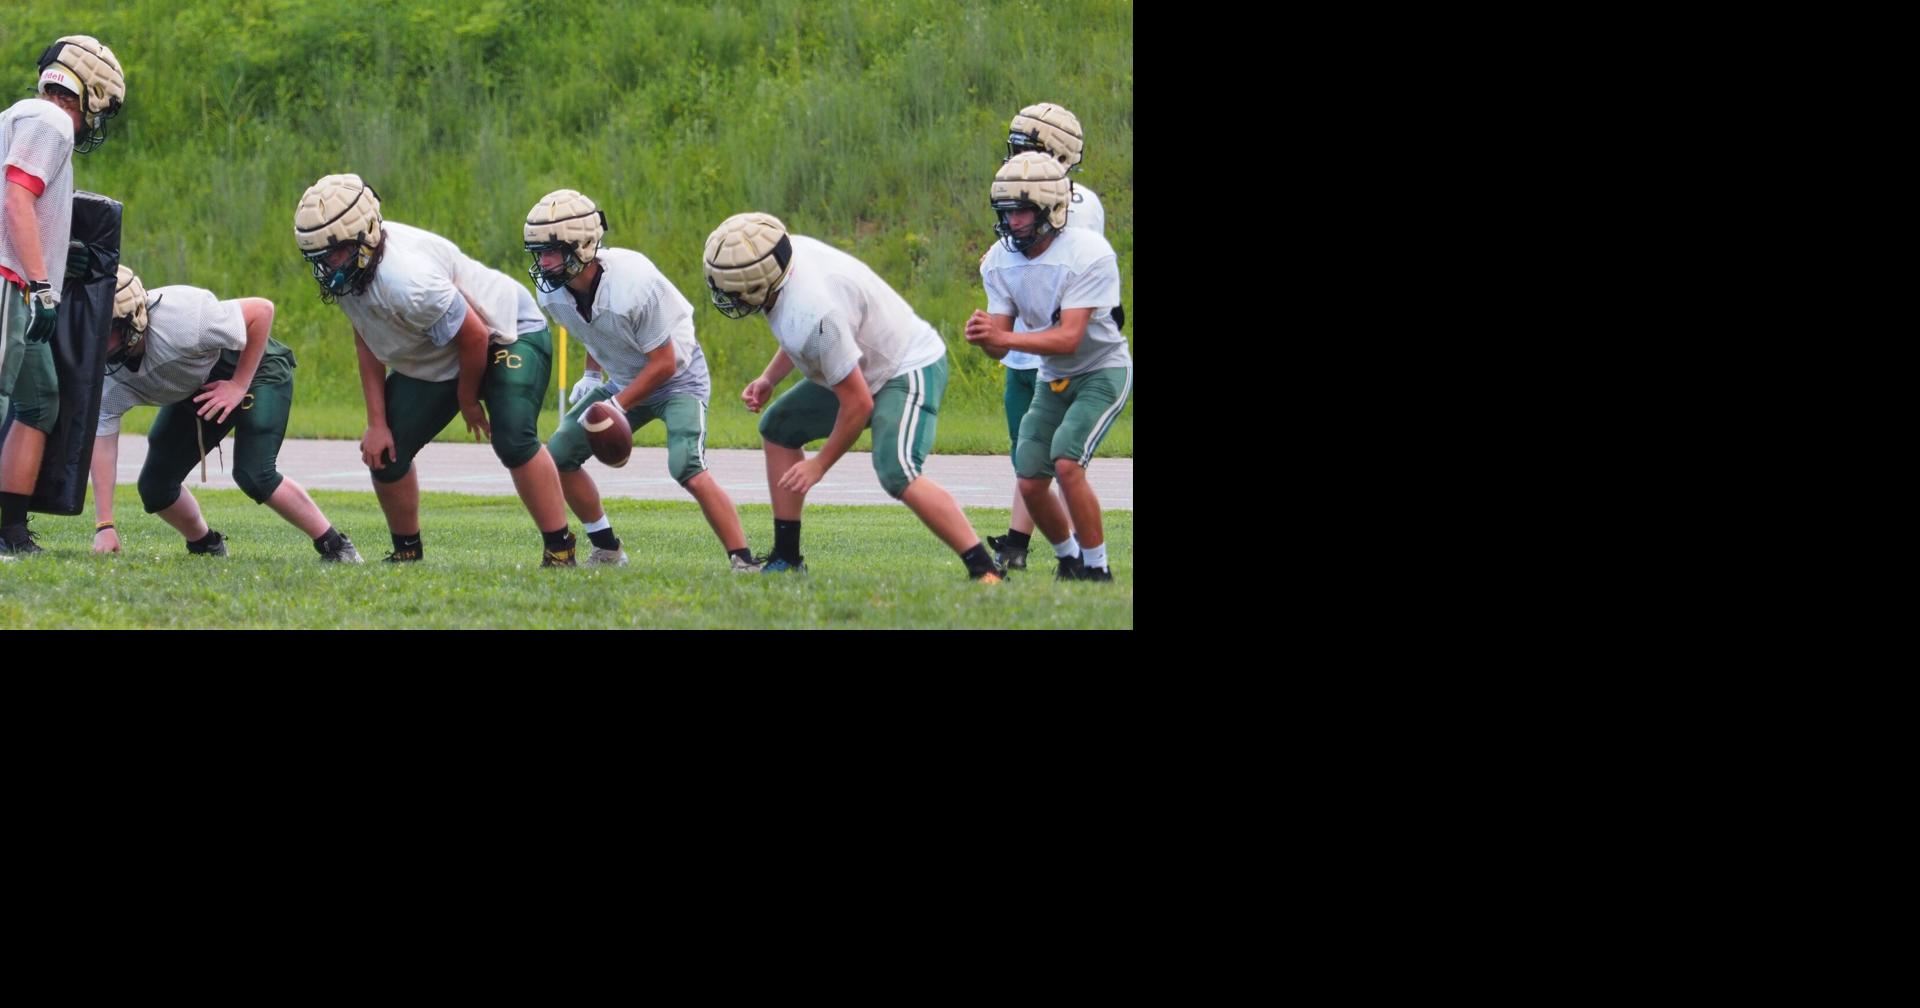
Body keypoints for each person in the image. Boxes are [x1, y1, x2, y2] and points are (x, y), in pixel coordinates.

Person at [703, 211, 1003, 582]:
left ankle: (985, 569)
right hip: (859, 366)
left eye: (734, 290)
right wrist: (769, 378)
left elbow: (857, 402)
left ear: (761, 281)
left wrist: (819, 464)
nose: (726, 297)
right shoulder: (782, 258)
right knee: (779, 429)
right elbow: (798, 332)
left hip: (904, 366)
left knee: (898, 472)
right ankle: (787, 558)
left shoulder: (816, 313)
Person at [293, 173, 576, 565]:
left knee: (513, 438)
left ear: (365, 235)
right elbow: (367, 336)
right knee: (386, 453)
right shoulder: (354, 268)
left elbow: (475, 335)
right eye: (321, 257)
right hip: (443, 348)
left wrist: (468, 400)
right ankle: (407, 552)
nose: (328, 265)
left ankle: (560, 548)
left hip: (506, 331)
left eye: (336, 253)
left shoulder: (407, 279)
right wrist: (376, 422)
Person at [525, 189, 759, 570]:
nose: (544, 262)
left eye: (552, 251)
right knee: (560, 455)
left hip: (678, 377)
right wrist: (592, 374)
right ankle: (607, 549)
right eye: (538, 252)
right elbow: (592, 328)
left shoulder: (633, 283)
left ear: (583, 246)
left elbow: (664, 363)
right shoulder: (552, 293)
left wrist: (617, 405)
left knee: (686, 465)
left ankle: (744, 560)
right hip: (623, 378)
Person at [89, 265, 361, 561]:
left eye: (108, 330)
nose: (98, 341)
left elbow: (261, 311)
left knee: (255, 473)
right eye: (92, 329)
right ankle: (206, 547)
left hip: (255, 369)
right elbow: (102, 441)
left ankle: (337, 547)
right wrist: (105, 525)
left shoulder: (182, 319)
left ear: (134, 319)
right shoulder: (105, 375)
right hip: (198, 386)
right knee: (156, 487)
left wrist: (238, 385)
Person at [964, 152, 1129, 581]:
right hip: (1052, 376)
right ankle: (1070, 560)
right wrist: (985, 336)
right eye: (1007, 211)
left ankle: (1097, 569)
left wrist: (1003, 338)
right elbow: (1000, 347)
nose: (1013, 220)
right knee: (1030, 478)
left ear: (1051, 210)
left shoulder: (1088, 252)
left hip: (1100, 369)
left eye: (1023, 210)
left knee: (1067, 464)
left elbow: (1069, 337)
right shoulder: (999, 261)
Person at [1, 35, 125, 557]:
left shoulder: (23, 116)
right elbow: (16, 197)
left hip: (20, 281)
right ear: (89, 91)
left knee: (38, 401)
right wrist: (41, 283)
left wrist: (54, 254)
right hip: (11, 281)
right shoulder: (49, 120)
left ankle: (10, 532)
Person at [986, 101, 1107, 571]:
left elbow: (1057, 266)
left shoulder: (1078, 205)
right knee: (1027, 458)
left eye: (1025, 147)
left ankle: (1075, 553)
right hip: (1021, 350)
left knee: (1056, 461)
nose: (1014, 156)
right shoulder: (1018, 192)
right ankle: (1020, 543)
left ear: (1055, 153)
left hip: (1056, 351)